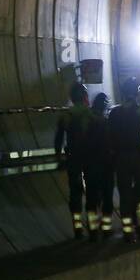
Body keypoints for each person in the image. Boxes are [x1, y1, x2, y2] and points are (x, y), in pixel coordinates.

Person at [108, 76, 140, 243]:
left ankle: (128, 232)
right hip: (138, 157)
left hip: (121, 158)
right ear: (136, 93)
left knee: (124, 194)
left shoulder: (114, 113)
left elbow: (109, 137)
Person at [54, 82, 91, 239]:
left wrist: (59, 157)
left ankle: (77, 229)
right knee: (93, 193)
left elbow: (58, 140)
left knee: (75, 194)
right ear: (84, 96)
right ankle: (93, 226)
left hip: (73, 159)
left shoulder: (66, 116)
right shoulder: (90, 114)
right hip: (90, 159)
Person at [84, 93, 114, 241]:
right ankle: (106, 229)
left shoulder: (88, 122)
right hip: (105, 166)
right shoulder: (105, 123)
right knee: (107, 198)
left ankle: (93, 231)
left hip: (91, 167)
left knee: (92, 200)